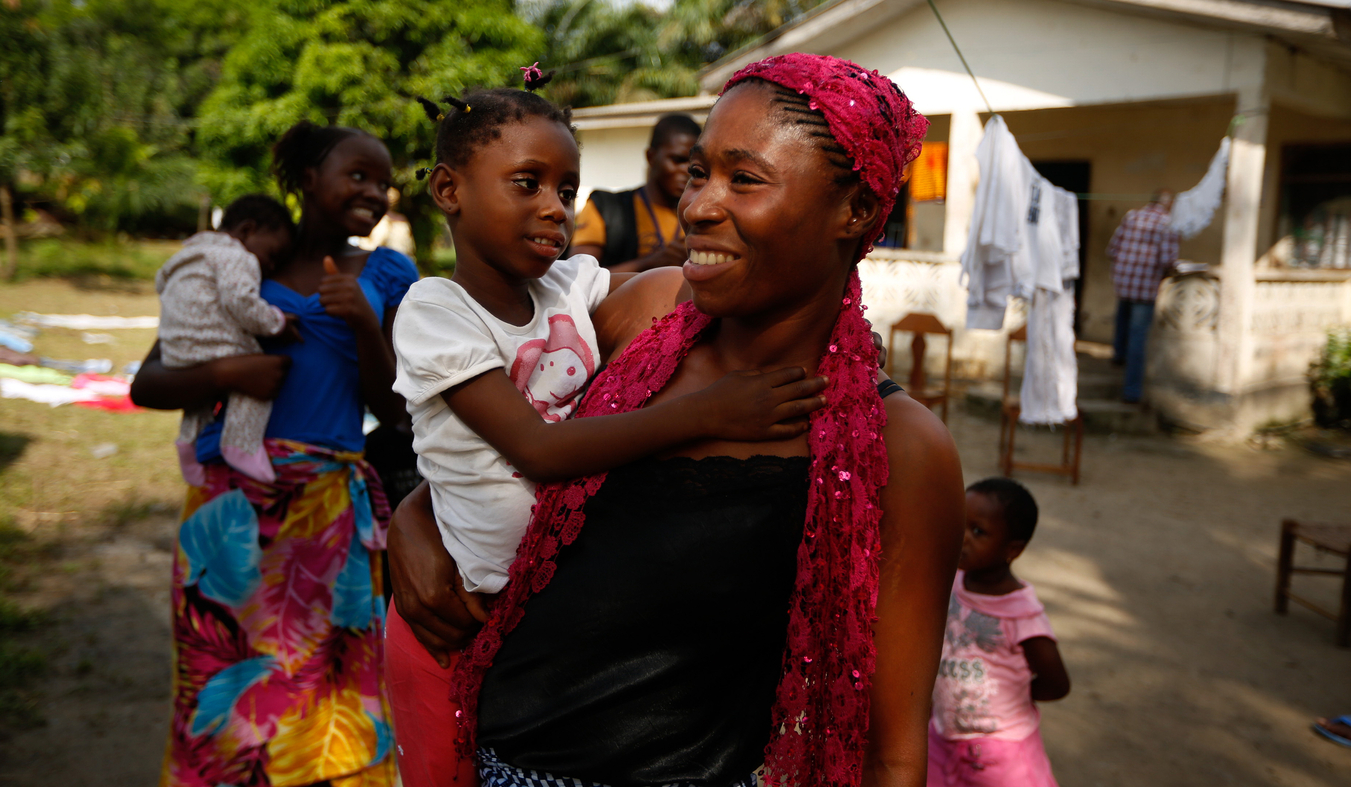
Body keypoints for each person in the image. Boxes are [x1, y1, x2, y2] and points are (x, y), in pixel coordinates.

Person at [387, 53, 965, 787]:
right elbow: (494, 421)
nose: (697, 206)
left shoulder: (898, 445)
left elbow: (892, 753)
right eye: (699, 173)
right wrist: (415, 514)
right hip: (487, 756)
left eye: (745, 179)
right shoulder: (646, 314)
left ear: (853, 211)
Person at [131, 120, 418, 787]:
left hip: (326, 516)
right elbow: (148, 381)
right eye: (358, 175)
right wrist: (227, 375)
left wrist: (364, 325)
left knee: (333, 686)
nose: (375, 191)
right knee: (221, 673)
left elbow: (399, 405)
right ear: (305, 180)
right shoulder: (240, 260)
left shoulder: (385, 272)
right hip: (228, 511)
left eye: (384, 181)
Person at [928, 478, 1069, 787]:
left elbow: (1057, 683)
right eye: (961, 524)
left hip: (1001, 753)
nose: (963, 538)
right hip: (942, 736)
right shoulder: (954, 579)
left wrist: (1012, 698)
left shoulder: (1022, 613)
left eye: (978, 532)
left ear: (1012, 549)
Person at [156, 194, 298, 485]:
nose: (270, 268)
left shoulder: (192, 250)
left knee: (200, 400)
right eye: (272, 256)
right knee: (257, 369)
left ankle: (187, 442)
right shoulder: (239, 256)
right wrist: (277, 322)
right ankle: (240, 444)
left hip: (173, 348)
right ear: (248, 231)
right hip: (212, 340)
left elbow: (161, 282)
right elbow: (240, 301)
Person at [567, 113, 699, 272]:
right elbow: (578, 277)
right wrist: (651, 263)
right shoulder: (605, 208)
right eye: (677, 160)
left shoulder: (697, 215)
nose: (687, 171)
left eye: (694, 165)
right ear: (651, 157)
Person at [1107, 187, 1179, 403]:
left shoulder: (1132, 216)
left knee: (1122, 316)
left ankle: (1118, 355)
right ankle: (1132, 391)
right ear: (1168, 204)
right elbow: (1167, 260)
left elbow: (1112, 249)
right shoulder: (1168, 223)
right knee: (1138, 335)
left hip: (1123, 279)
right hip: (1145, 285)